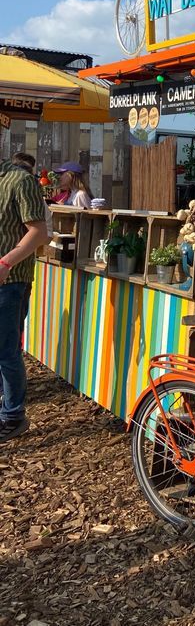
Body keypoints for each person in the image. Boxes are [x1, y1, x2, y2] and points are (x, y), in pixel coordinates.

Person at [0, 157, 49, 441]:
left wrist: (6, 263)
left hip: (9, 282)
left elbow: (39, 232)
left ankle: (13, 416)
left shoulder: (20, 180)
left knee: (6, 351)